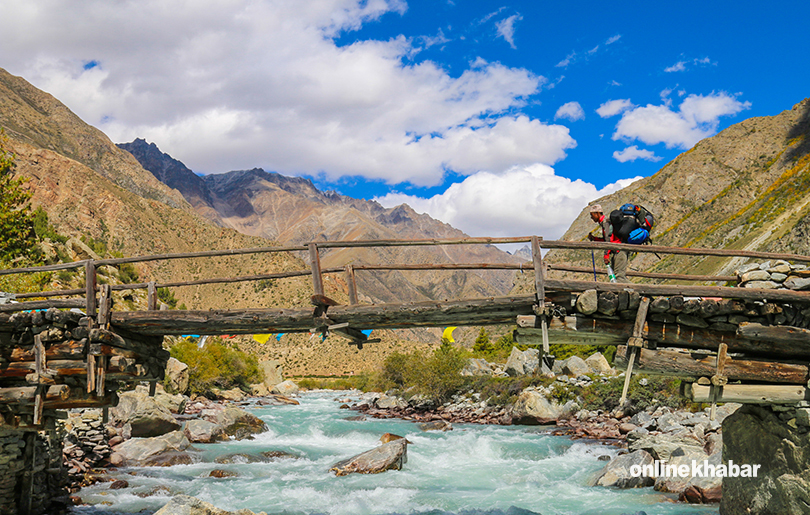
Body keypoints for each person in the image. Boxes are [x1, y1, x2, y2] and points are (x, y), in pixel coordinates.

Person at [588, 204, 628, 283]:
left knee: (619, 278)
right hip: (617, 251)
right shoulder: (605, 223)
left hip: (619, 251)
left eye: (592, 215)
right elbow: (606, 239)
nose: (591, 217)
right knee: (617, 277)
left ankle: (640, 292)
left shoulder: (606, 223)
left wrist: (606, 255)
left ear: (597, 213)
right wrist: (594, 238)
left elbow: (608, 240)